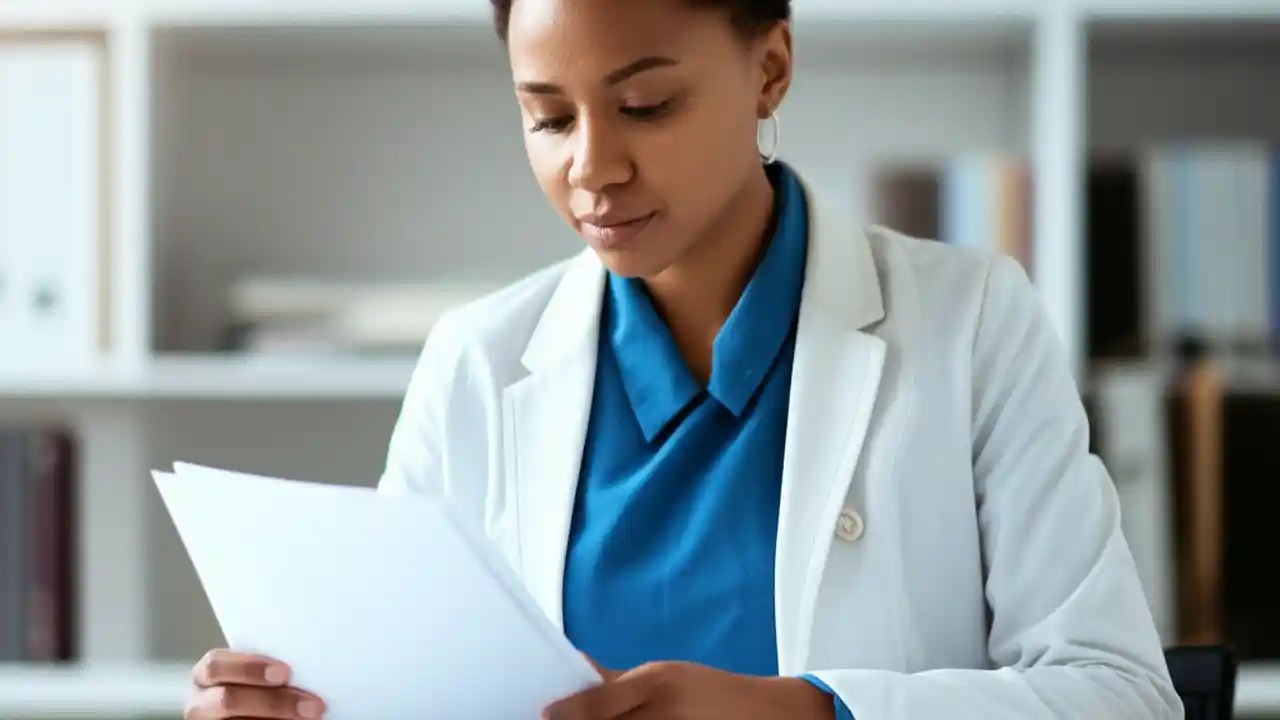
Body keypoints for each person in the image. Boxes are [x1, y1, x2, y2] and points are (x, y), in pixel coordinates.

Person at [183, 0, 1182, 718]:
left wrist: (799, 712)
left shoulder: (968, 323)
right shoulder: (476, 362)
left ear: (770, 68)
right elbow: (398, 690)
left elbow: (1116, 693)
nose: (591, 168)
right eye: (547, 116)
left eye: (646, 105)